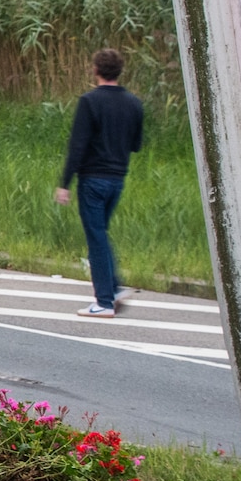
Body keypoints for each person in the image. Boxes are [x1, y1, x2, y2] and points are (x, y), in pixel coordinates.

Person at [54, 48, 145, 317]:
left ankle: (104, 301)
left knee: (96, 237)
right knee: (100, 234)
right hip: (117, 179)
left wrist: (65, 183)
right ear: (120, 71)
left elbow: (78, 145)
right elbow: (136, 144)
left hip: (93, 179)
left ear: (95, 70)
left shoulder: (89, 101)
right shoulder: (134, 103)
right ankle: (113, 287)